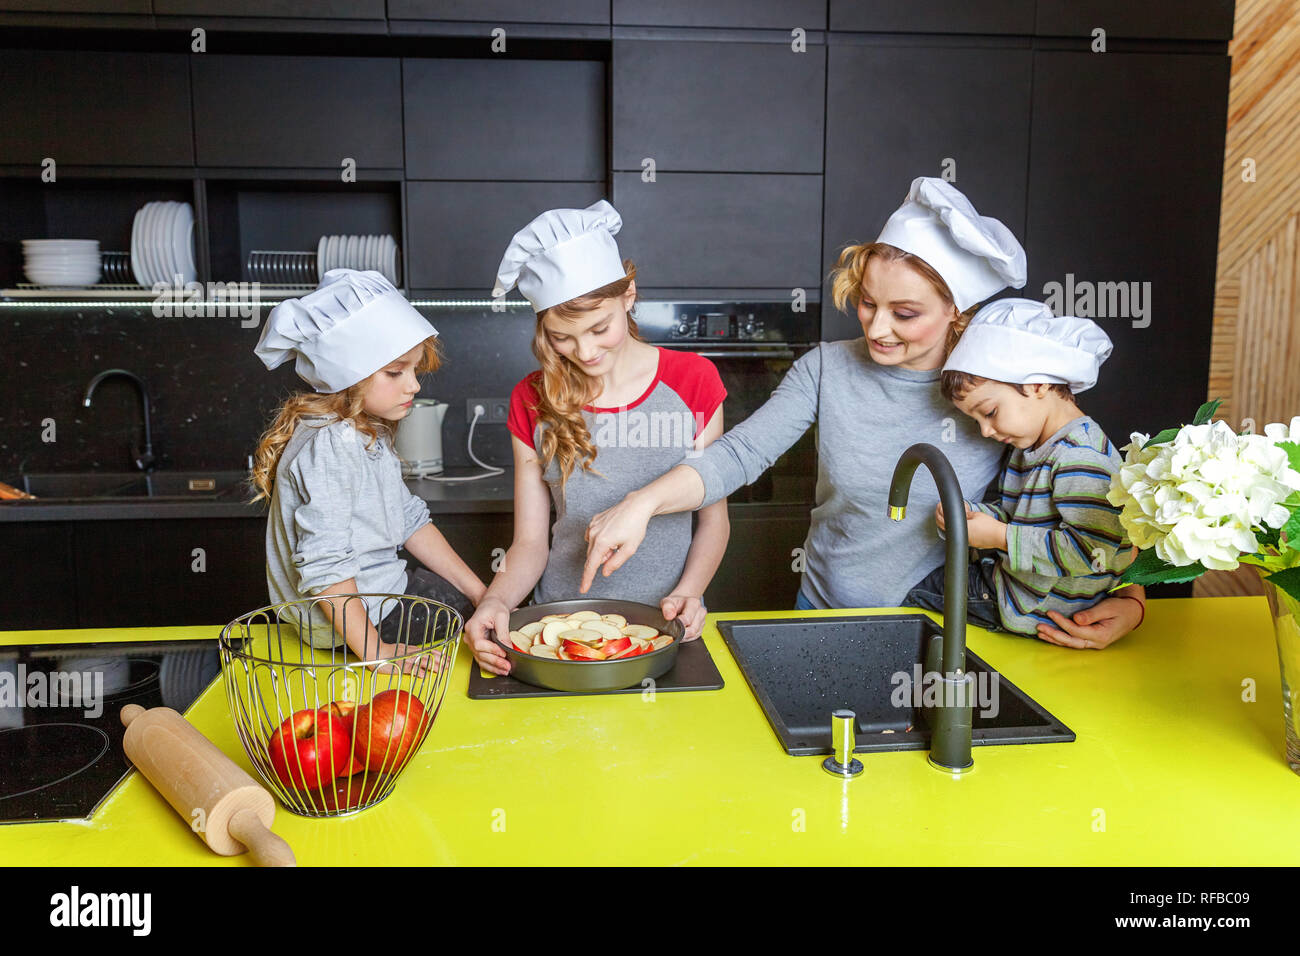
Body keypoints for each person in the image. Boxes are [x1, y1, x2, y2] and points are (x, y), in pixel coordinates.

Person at [581, 177, 1146, 650]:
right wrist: (643, 502)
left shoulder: (999, 389)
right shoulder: (828, 369)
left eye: (905, 313)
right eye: (868, 302)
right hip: (827, 611)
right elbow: (741, 453)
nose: (876, 328)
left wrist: (1131, 600)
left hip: (957, 630)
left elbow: (1105, 504)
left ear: (957, 311)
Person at [462, 200, 730, 675]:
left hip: (663, 629)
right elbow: (529, 541)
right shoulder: (531, 398)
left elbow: (712, 520)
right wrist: (496, 600)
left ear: (628, 294)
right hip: (556, 631)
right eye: (561, 337)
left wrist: (689, 592)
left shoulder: (694, 382)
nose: (584, 351)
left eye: (599, 328)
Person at [251, 268, 486, 673]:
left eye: (414, 371)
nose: (413, 385)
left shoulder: (359, 433)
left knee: (474, 610)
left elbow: (409, 521)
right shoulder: (334, 445)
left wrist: (483, 593)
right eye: (396, 372)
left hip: (376, 598)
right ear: (349, 375)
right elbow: (326, 567)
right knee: (481, 638)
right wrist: (378, 652)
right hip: (353, 623)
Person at [901, 297, 1140, 640]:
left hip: (1029, 605)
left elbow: (1093, 553)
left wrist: (998, 537)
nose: (986, 431)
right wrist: (971, 516)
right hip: (1021, 589)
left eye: (990, 412)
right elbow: (1020, 517)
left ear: (1038, 384)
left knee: (911, 606)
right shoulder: (1032, 446)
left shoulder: (1079, 459)